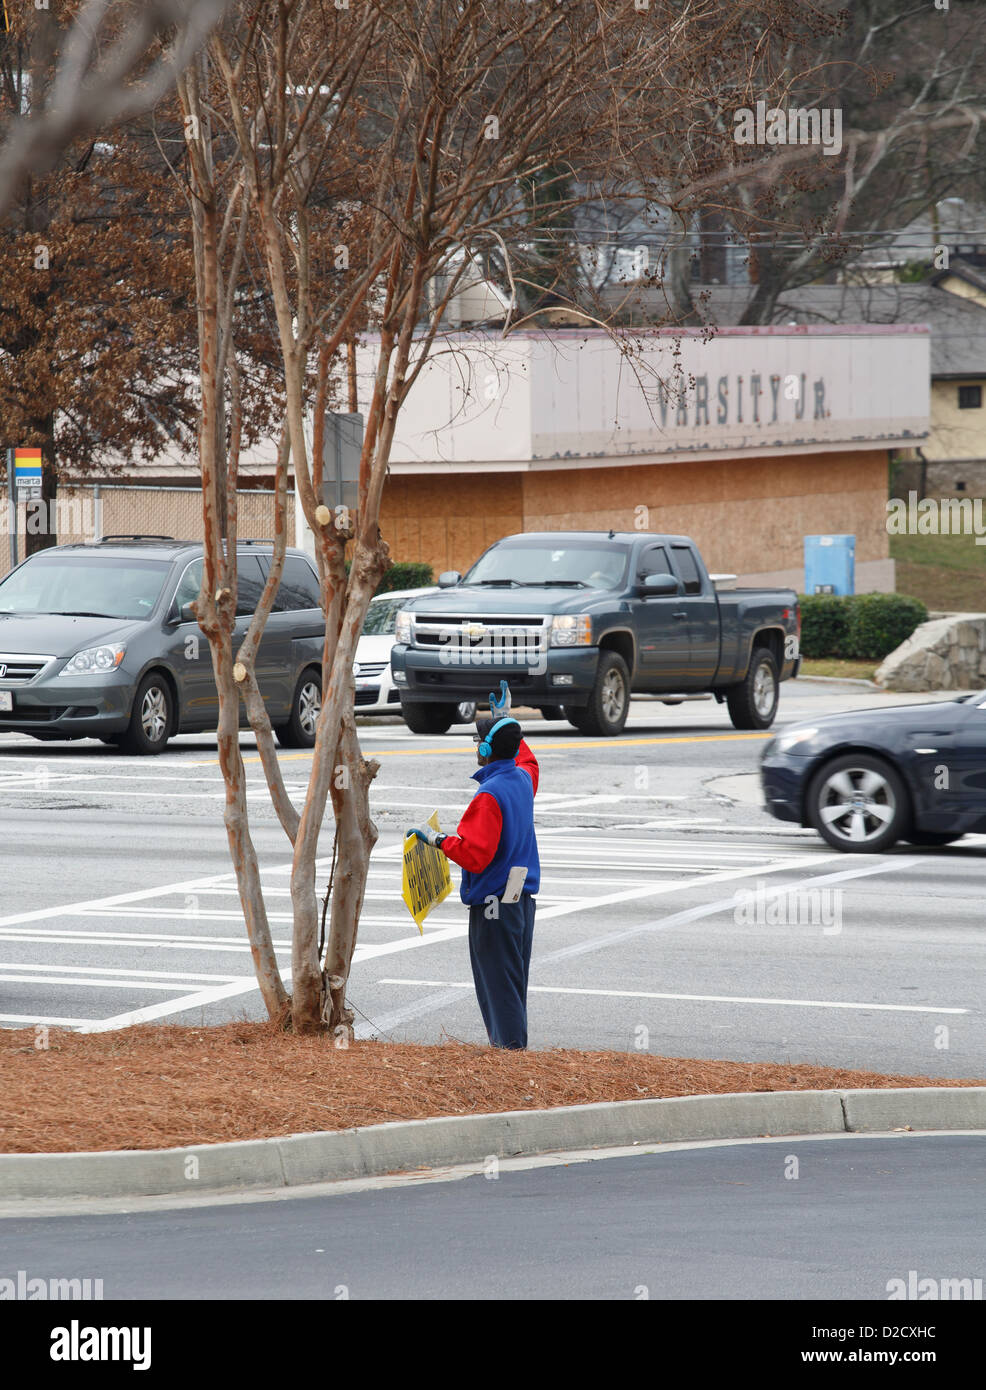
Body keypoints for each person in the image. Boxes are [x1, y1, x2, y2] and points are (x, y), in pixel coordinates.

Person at [407, 681, 540, 1049]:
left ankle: (509, 1057)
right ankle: (511, 1049)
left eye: (476, 743)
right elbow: (528, 761)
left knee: (499, 989)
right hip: (521, 904)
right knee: (513, 983)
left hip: (494, 906)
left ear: (484, 750)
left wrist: (436, 840)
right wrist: (507, 719)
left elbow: (474, 854)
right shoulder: (521, 779)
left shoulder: (489, 796)